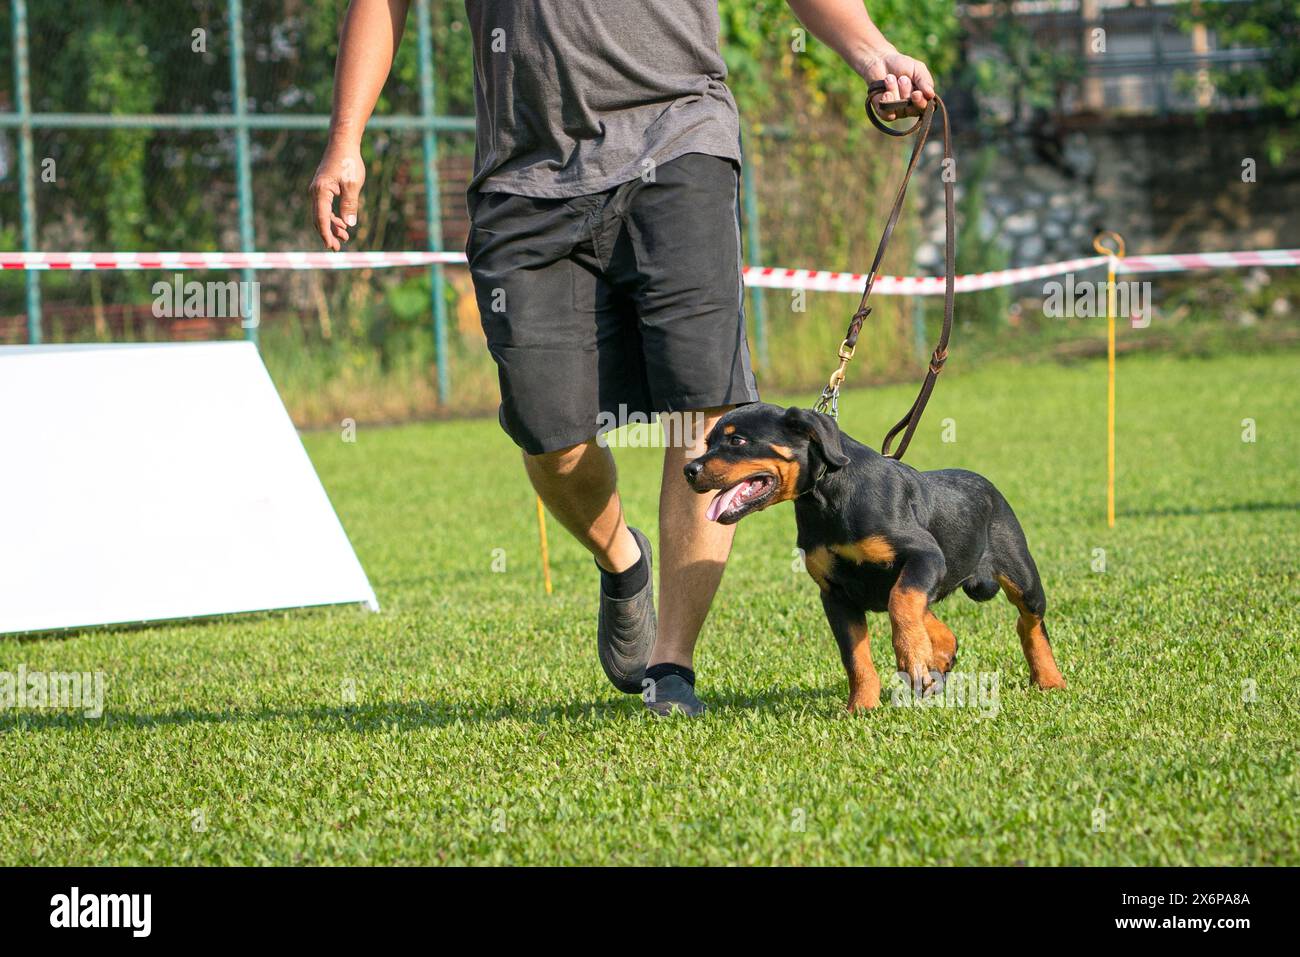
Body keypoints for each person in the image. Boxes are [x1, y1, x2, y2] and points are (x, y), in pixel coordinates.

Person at [311, 0, 935, 717]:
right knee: (551, 435)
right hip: (524, 174)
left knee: (701, 409)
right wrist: (345, 137)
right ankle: (621, 557)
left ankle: (672, 668)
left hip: (679, 137)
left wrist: (870, 50)